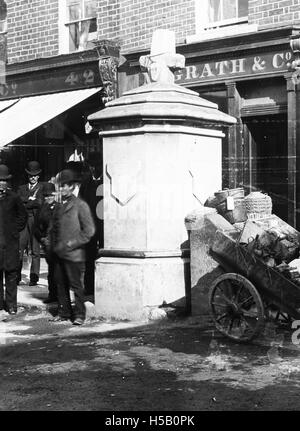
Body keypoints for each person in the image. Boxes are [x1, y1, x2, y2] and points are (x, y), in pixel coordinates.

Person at [50, 169, 95, 325]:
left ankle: (79, 315)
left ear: (72, 186)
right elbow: (53, 228)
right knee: (60, 285)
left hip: (74, 254)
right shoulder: (58, 206)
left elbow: (89, 231)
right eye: (60, 186)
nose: (62, 189)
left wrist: (71, 243)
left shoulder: (80, 205)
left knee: (76, 286)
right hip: (59, 254)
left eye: (65, 186)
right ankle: (64, 313)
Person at [0, 165, 27, 314]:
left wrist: (14, 230)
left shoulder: (14, 197)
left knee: (11, 275)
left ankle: (11, 306)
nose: (1, 183)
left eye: (4, 181)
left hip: (10, 243)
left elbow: (22, 216)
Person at [17, 161, 45, 286]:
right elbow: (18, 202)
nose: (33, 177)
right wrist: (30, 199)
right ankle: (16, 276)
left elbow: (40, 203)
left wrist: (26, 202)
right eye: (30, 175)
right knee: (19, 249)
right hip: (23, 222)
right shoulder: (21, 188)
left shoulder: (42, 188)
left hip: (35, 221)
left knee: (35, 250)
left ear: (39, 175)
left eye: (35, 175)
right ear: (27, 176)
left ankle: (34, 278)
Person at [34, 182, 59, 304]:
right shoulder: (41, 210)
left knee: (60, 271)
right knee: (52, 271)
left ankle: (61, 296)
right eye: (46, 196)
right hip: (48, 244)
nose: (49, 198)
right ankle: (53, 294)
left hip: (60, 244)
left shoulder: (60, 208)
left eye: (51, 195)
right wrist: (42, 239)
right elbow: (36, 228)